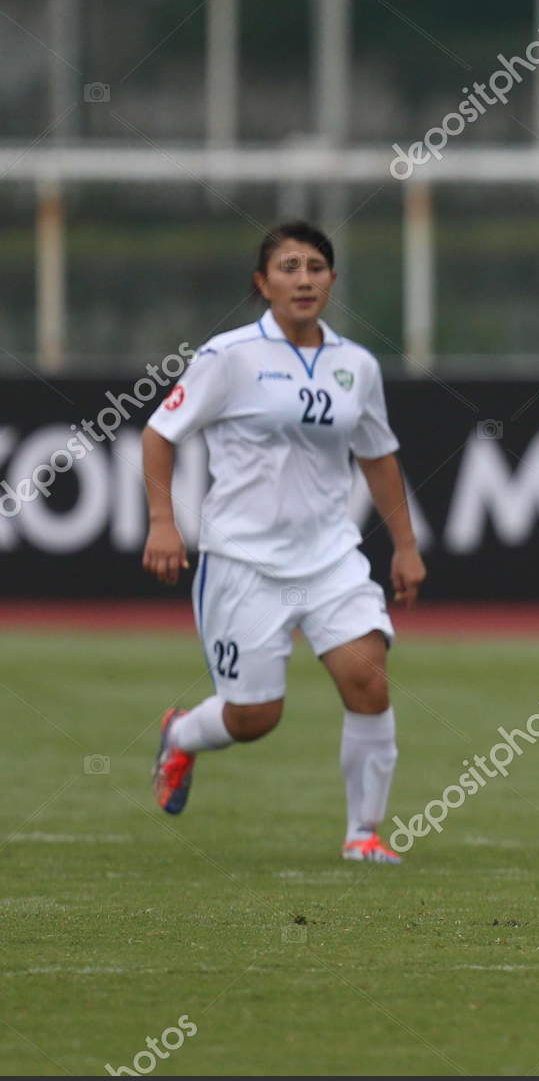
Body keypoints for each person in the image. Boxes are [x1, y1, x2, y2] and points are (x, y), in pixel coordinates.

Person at [142, 221, 424, 864]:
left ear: (331, 280)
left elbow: (378, 455)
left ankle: (364, 835)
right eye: (289, 267)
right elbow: (159, 435)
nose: (304, 279)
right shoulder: (229, 356)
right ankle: (183, 732)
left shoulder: (357, 364)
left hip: (331, 558)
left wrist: (404, 545)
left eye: (316, 267)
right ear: (262, 283)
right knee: (254, 718)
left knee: (368, 682)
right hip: (244, 561)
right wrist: (164, 521)